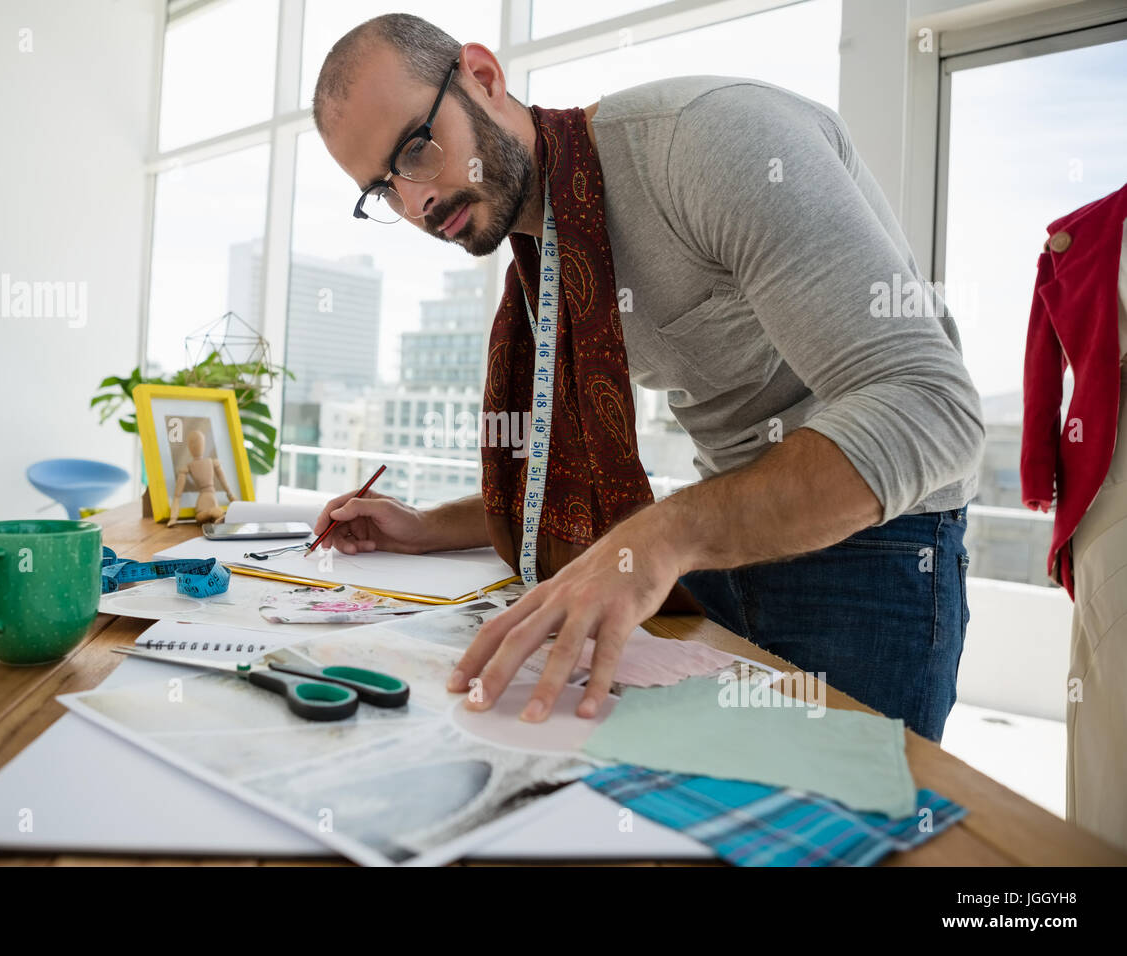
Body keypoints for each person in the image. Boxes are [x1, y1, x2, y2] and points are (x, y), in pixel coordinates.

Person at [310, 14, 983, 741]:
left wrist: (665, 538)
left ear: (483, 76)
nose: (415, 203)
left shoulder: (712, 142)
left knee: (851, 830)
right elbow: (576, 484)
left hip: (877, 551)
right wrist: (425, 527)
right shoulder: (550, 254)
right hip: (724, 546)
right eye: (382, 190)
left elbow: (933, 412)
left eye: (416, 149)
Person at [1021, 181, 1127, 851]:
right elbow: (1042, 369)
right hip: (1112, 474)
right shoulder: (1078, 234)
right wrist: (1037, 469)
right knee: (1110, 691)